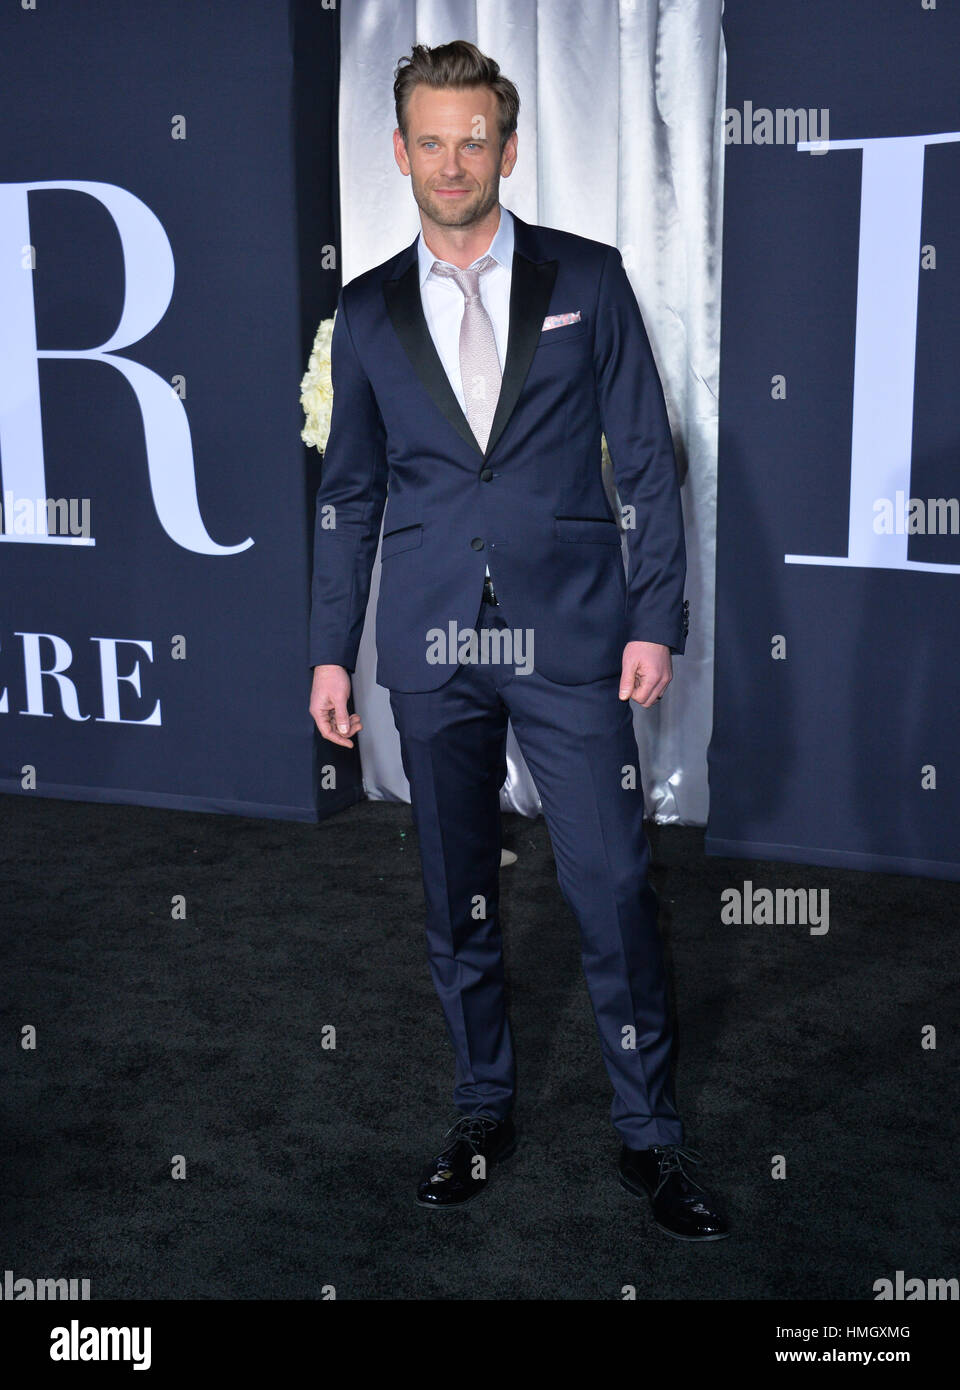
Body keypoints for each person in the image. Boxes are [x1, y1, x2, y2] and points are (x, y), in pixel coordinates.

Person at [308, 39, 728, 1241]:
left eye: (473, 137)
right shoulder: (366, 308)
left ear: (509, 144)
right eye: (430, 141)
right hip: (432, 645)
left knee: (612, 887)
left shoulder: (587, 280)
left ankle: (650, 1137)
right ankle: (482, 1110)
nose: (453, 161)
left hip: (577, 639)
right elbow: (347, 494)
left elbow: (646, 458)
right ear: (399, 151)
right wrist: (332, 650)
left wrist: (655, 616)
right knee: (459, 900)